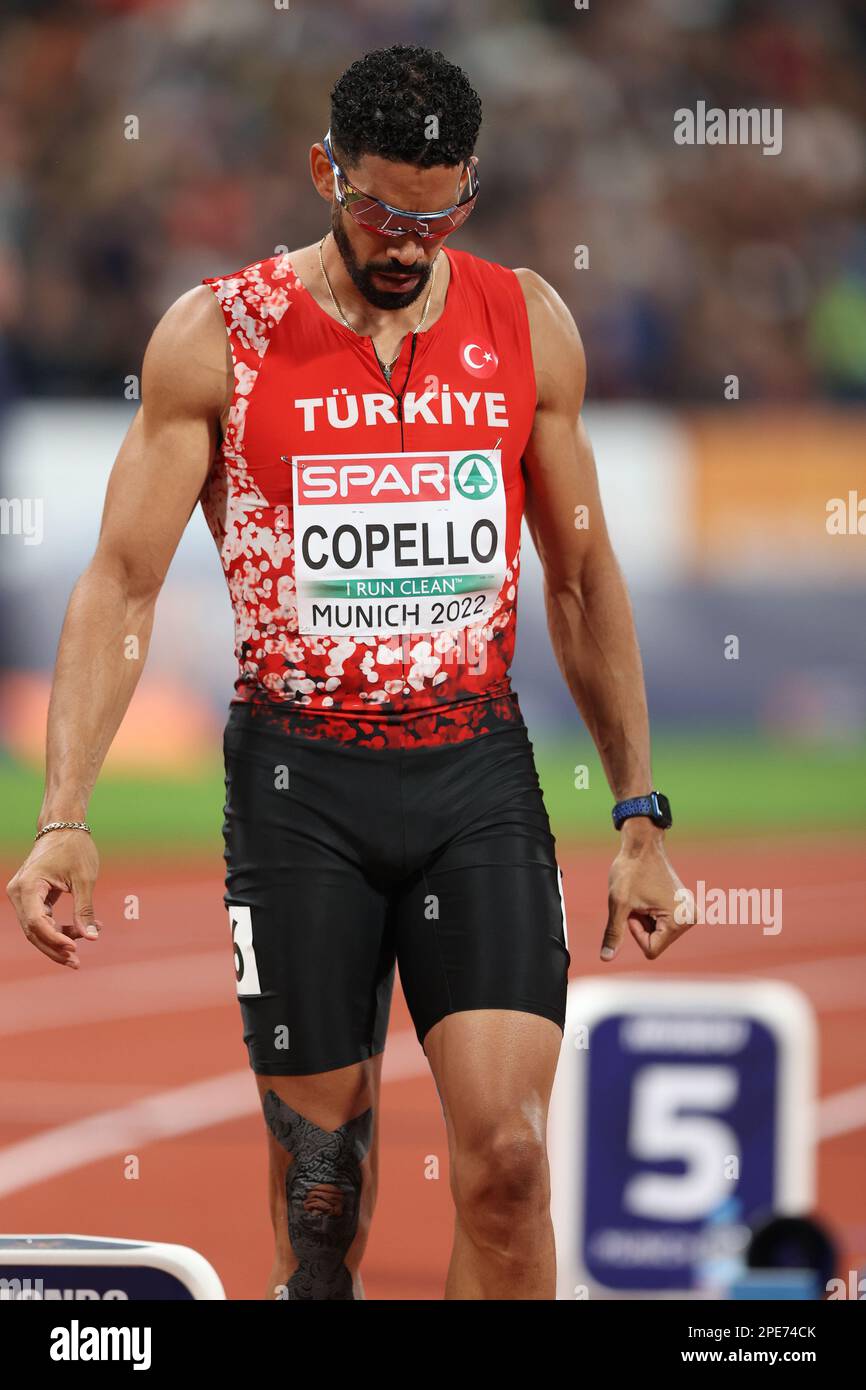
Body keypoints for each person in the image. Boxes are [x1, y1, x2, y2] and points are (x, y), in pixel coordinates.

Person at [6, 44, 694, 1300]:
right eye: (380, 208)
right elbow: (120, 583)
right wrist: (65, 816)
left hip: (474, 777)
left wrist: (639, 811)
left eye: (438, 213)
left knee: (508, 1165)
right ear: (325, 170)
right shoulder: (220, 335)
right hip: (297, 789)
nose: (406, 241)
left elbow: (584, 582)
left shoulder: (526, 322)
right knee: (323, 1199)